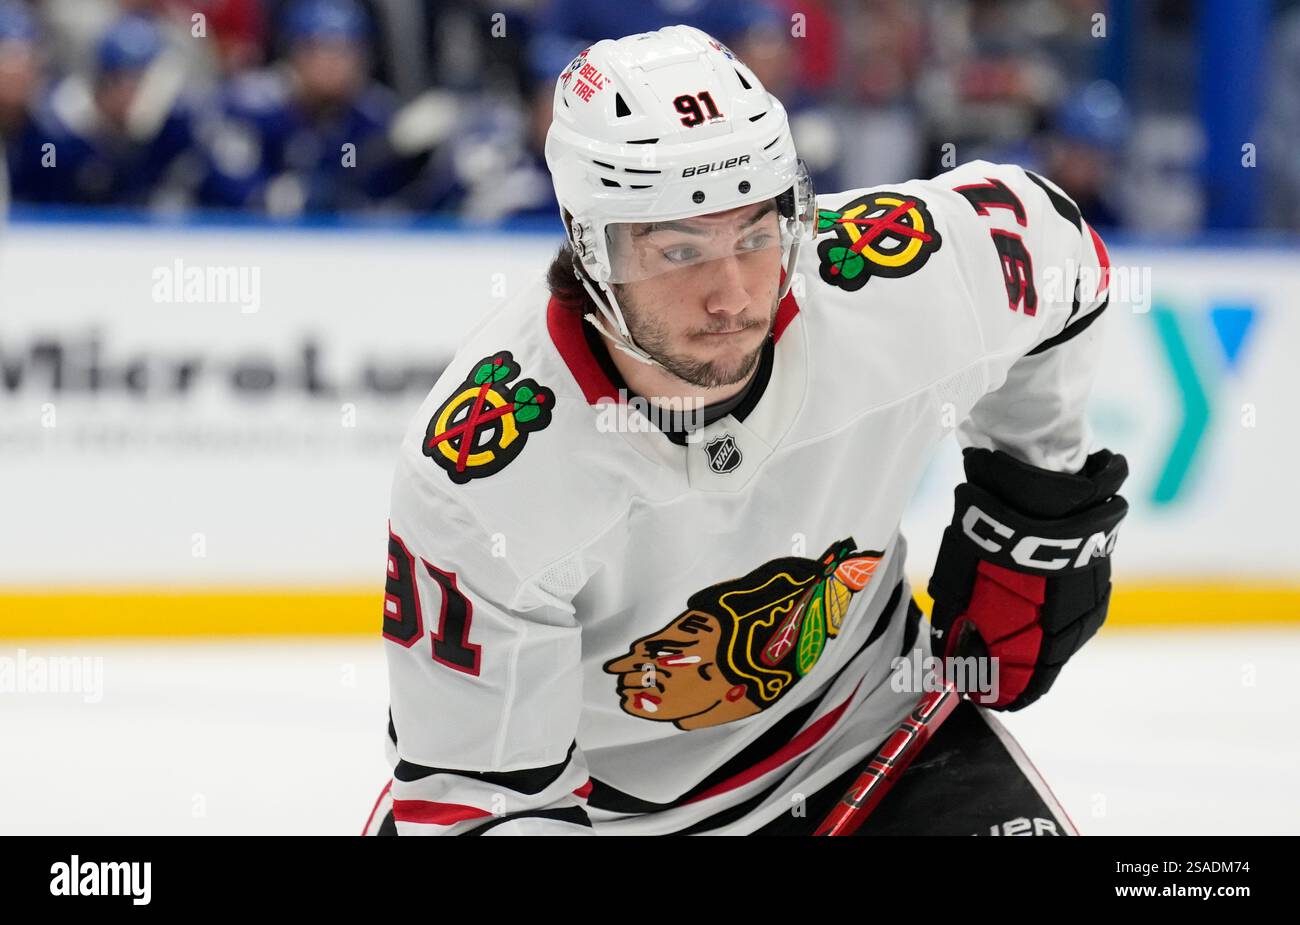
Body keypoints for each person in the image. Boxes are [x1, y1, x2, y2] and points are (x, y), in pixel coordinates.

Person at [364, 25, 1128, 836]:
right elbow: (481, 802)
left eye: (755, 235)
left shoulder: (888, 282)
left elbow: (1059, 248)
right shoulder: (484, 477)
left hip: (871, 737)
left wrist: (1038, 497)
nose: (732, 297)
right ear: (591, 244)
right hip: (604, 817)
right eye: (680, 250)